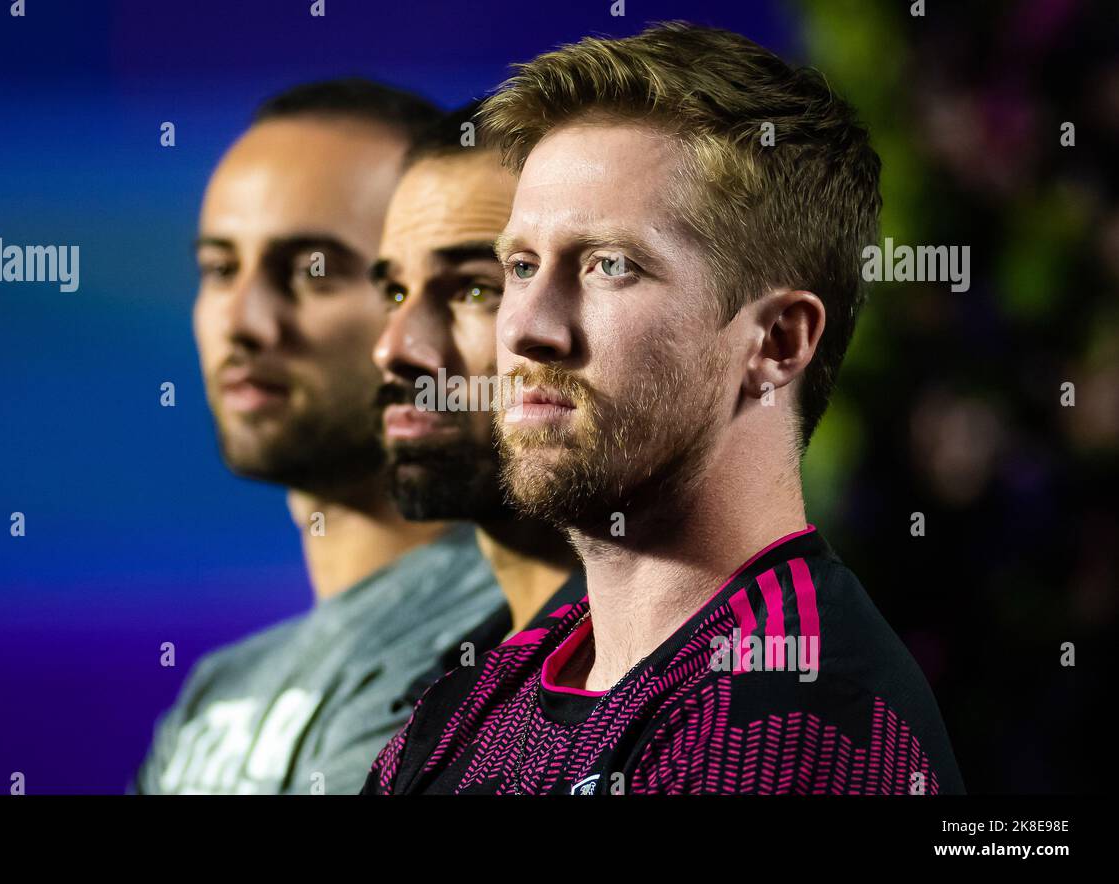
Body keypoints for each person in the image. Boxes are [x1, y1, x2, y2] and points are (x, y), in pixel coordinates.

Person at [365, 24, 964, 795]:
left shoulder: (792, 722)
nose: (523, 328)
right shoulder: (488, 687)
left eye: (609, 265)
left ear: (778, 342)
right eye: (518, 265)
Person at [135, 80, 500, 795]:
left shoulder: (522, 644)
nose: (245, 322)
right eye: (220, 269)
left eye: (313, 270)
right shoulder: (222, 689)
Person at [369, 103, 584, 713]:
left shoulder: (715, 694)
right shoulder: (440, 697)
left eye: (474, 288)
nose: (392, 349)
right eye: (394, 292)